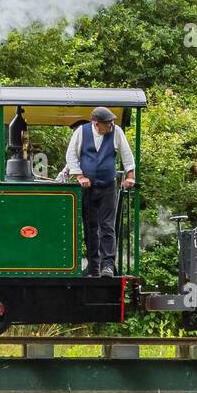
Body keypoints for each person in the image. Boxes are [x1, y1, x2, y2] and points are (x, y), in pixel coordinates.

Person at [65, 107, 135, 278]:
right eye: (108, 123)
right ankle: (93, 267)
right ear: (96, 124)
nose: (111, 125)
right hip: (87, 188)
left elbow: (126, 154)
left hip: (108, 186)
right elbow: (71, 155)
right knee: (90, 227)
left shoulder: (116, 132)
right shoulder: (81, 132)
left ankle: (107, 265)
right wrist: (80, 176)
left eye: (111, 122)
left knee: (107, 226)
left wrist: (130, 176)